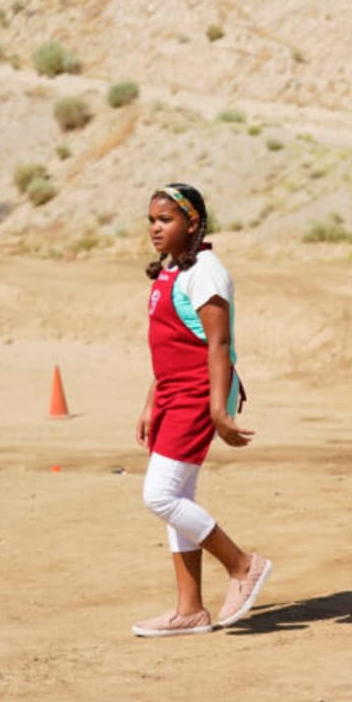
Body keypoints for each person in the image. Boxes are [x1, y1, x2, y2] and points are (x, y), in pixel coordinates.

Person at [133, 184, 271, 637]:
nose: (156, 228)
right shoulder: (170, 270)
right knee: (178, 501)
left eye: (166, 219)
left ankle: (243, 565)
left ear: (193, 223)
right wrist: (152, 401)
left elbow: (218, 343)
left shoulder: (207, 271)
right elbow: (170, 346)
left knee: (160, 496)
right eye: (152, 220)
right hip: (173, 394)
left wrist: (217, 409)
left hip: (196, 396)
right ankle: (189, 609)